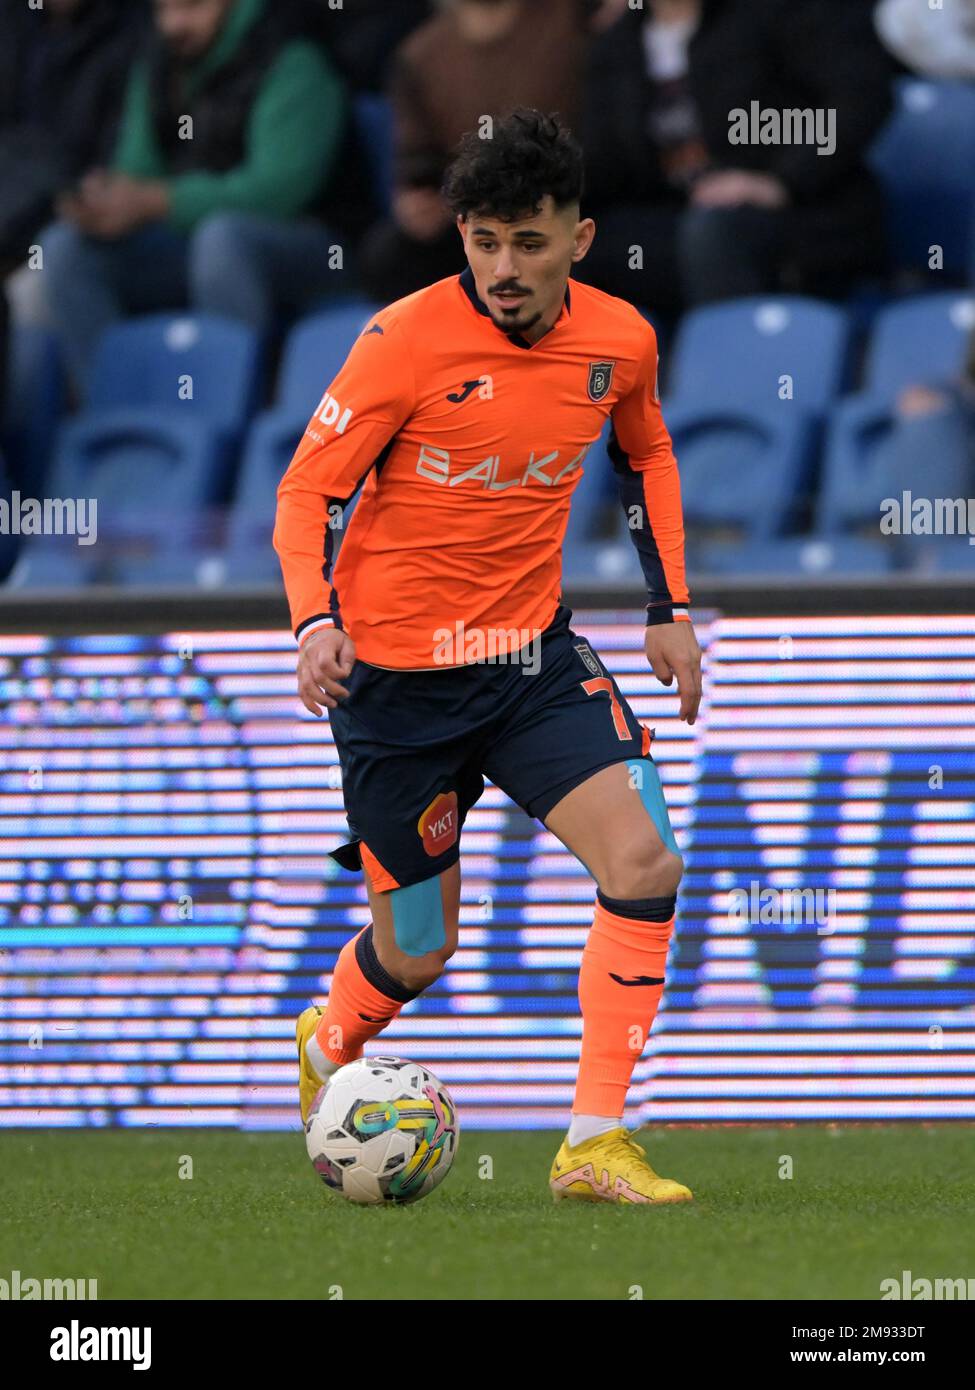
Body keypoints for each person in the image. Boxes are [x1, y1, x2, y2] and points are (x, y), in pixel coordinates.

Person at [274, 109, 703, 1204]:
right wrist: (313, 620)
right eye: (482, 242)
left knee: (645, 862)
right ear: (460, 236)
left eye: (528, 240)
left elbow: (644, 452)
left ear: (581, 236)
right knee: (419, 952)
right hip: (395, 690)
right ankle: (330, 1039)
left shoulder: (620, 342)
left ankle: (593, 1142)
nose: (503, 268)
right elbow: (306, 490)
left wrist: (670, 605)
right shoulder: (401, 343)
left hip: (530, 664)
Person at [39, 0, 346, 391]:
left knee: (223, 239)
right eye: (163, 9)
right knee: (66, 247)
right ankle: (122, 417)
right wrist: (108, 201)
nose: (174, 24)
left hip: (316, 245)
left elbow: (278, 192)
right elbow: (138, 168)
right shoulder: (160, 59)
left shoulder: (292, 56)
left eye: (192, 7)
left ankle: (230, 407)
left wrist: (158, 200)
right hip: (192, 241)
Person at [578, 0, 894, 313]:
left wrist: (781, 182)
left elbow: (860, 96)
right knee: (565, 246)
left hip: (802, 211)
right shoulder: (617, 45)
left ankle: (742, 357)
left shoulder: (773, 12)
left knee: (714, 232)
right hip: (679, 218)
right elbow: (605, 163)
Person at [358, 0, 590, 303]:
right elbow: (418, 162)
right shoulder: (418, 55)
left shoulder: (575, 20)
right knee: (389, 255)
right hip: (468, 214)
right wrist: (420, 203)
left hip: (563, 201)